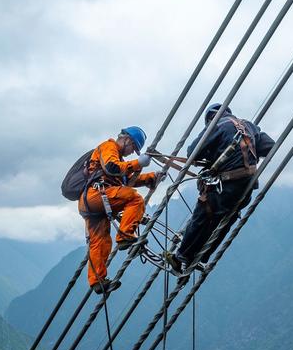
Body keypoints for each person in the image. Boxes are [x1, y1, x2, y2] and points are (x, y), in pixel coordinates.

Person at [165, 104, 275, 275]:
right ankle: (202, 257)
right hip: (247, 187)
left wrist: (212, 153)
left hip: (227, 184)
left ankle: (181, 258)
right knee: (225, 219)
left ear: (210, 117)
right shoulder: (248, 125)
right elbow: (269, 146)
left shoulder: (217, 125)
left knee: (203, 213)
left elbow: (193, 151)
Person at [79, 126, 162, 294]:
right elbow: (112, 167)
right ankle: (125, 235)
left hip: (92, 201)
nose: (132, 152)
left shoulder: (119, 158)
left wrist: (150, 177)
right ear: (127, 140)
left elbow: (125, 179)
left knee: (100, 242)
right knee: (135, 199)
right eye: (133, 148)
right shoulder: (109, 147)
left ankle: (97, 281)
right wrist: (138, 163)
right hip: (98, 195)